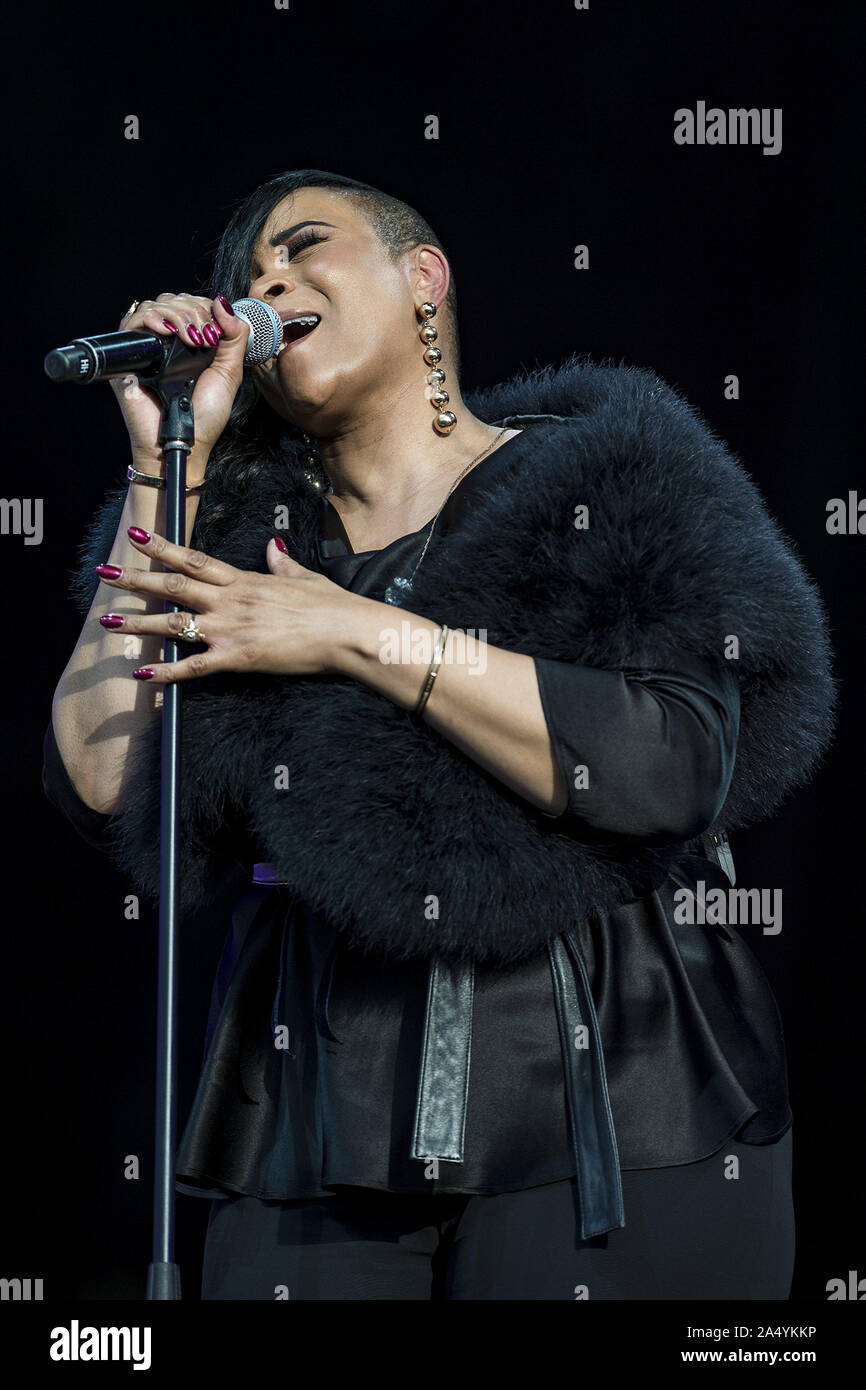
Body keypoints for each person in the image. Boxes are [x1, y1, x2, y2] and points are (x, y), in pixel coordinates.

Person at [43, 169, 835, 1301]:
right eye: (245, 276)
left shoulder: (606, 474)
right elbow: (104, 781)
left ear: (423, 280)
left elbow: (669, 761)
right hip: (312, 1108)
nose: (265, 282)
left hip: (608, 1095)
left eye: (303, 248)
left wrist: (348, 632)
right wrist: (163, 462)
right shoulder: (244, 536)